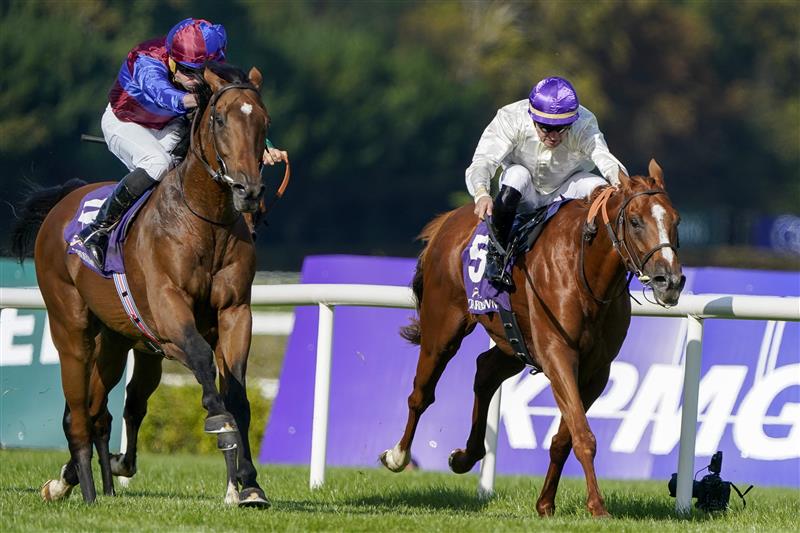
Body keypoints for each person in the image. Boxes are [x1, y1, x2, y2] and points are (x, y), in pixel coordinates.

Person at [78, 17, 288, 270]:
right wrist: (205, 98)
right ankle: (96, 230)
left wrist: (265, 145)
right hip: (126, 123)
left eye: (202, 71)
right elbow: (167, 97)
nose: (196, 79)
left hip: (171, 126)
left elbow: (238, 116)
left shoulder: (210, 70)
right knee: (158, 164)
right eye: (188, 71)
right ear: (172, 59)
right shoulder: (144, 61)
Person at [466, 76, 628, 287]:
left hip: (567, 187)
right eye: (544, 127)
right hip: (526, 191)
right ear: (532, 117)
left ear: (573, 120)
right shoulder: (511, 117)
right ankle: (496, 256)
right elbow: (484, 160)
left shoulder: (584, 123)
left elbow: (605, 159)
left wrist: (624, 187)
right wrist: (481, 193)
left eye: (561, 128)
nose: (553, 136)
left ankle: (611, 260)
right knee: (517, 175)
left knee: (600, 187)